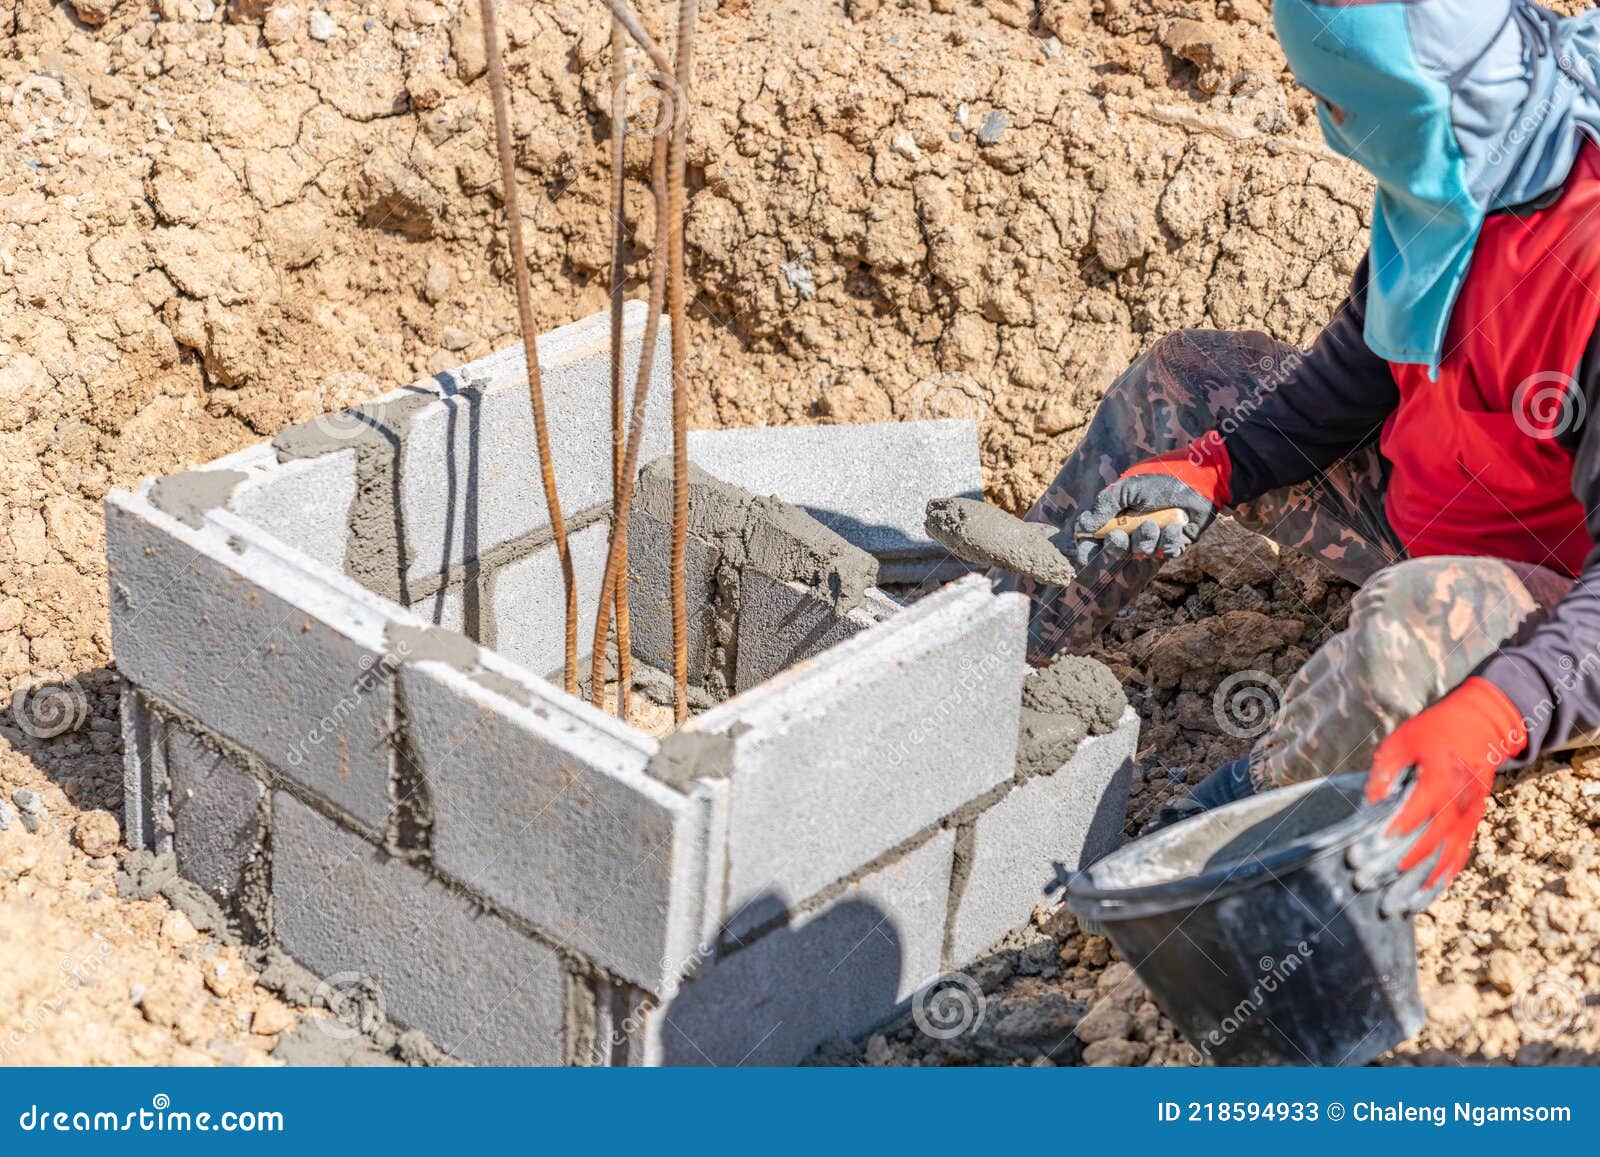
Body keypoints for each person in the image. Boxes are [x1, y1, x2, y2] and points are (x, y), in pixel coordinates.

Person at [1002, 0, 1600, 889]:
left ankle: (1223, 833)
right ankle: (996, 649)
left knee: (1402, 628)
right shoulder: (1455, 174)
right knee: (1184, 380)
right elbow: (1353, 373)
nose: (1333, 131)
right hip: (1414, 508)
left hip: (1554, 609)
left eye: (1348, 107)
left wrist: (1491, 714)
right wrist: (1215, 463)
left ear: (1433, 93)